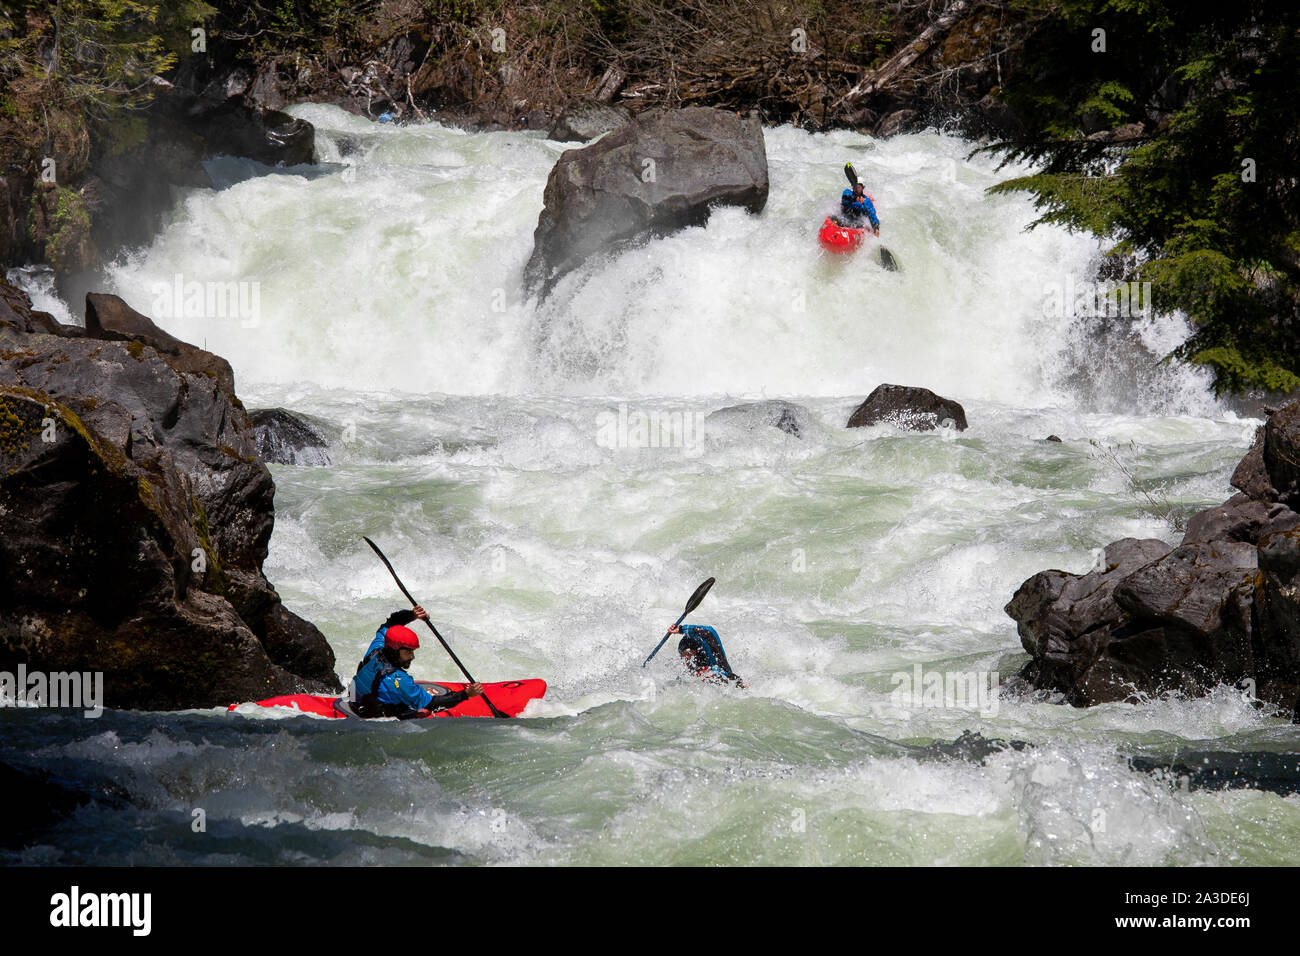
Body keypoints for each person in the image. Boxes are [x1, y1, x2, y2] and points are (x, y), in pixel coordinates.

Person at [350, 606, 483, 718]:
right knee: (421, 709)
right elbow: (431, 703)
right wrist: (466, 694)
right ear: (394, 651)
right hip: (373, 714)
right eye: (408, 652)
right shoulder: (398, 680)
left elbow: (391, 623)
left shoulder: (377, 647)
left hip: (355, 699)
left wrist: (412, 615)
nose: (412, 657)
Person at [670, 623, 746, 687]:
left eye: (688, 653)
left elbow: (708, 632)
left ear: (696, 650)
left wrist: (682, 629)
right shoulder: (689, 667)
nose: (686, 657)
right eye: (683, 654)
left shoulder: (716, 661)